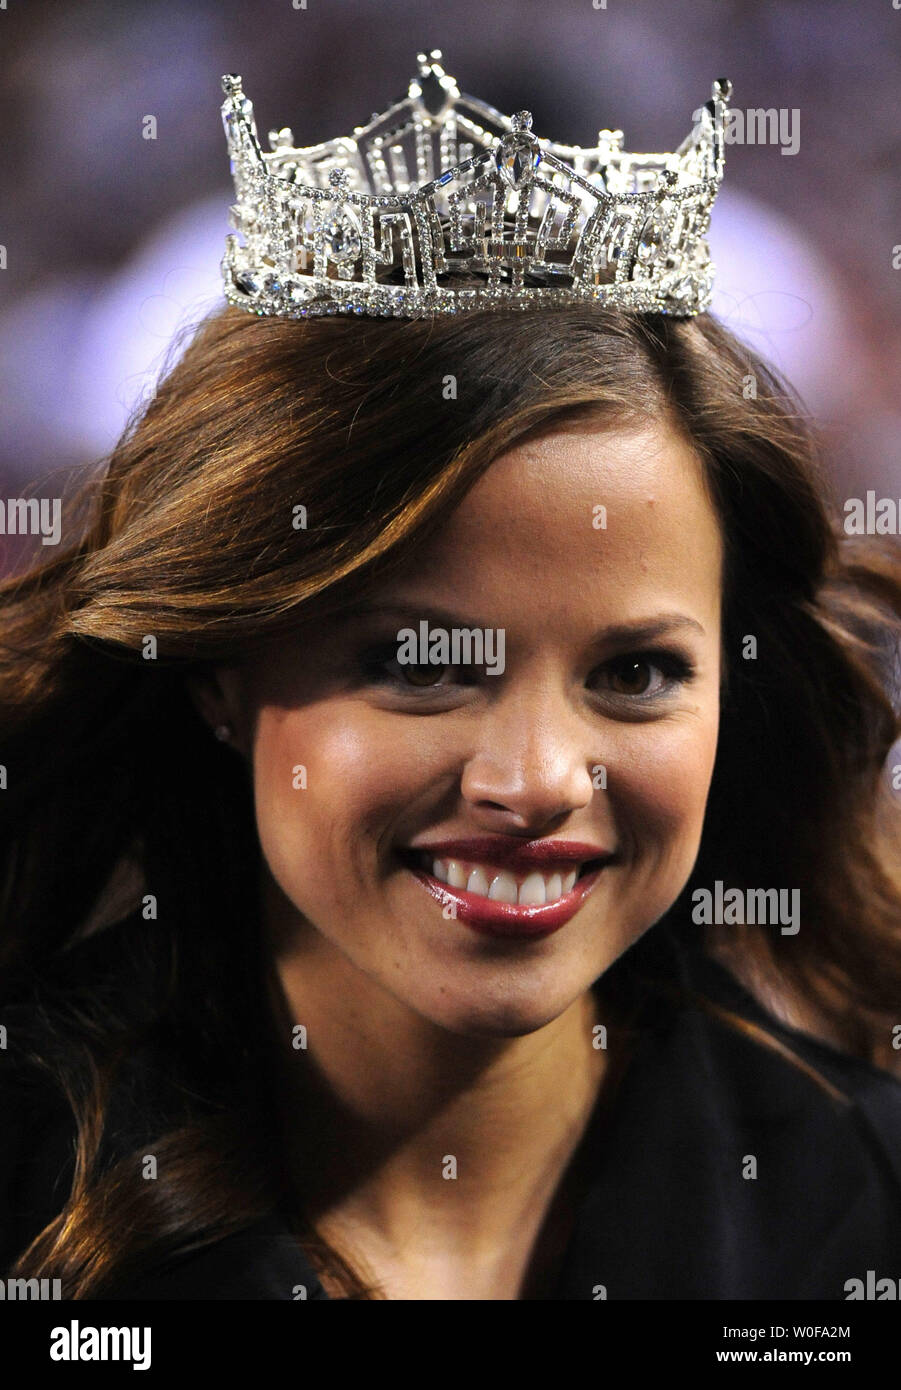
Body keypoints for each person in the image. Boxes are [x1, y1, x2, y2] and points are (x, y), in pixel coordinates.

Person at [1, 59, 900, 1301]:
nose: (533, 780)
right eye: (421, 667)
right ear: (216, 671)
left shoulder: (859, 1211)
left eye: (635, 672)